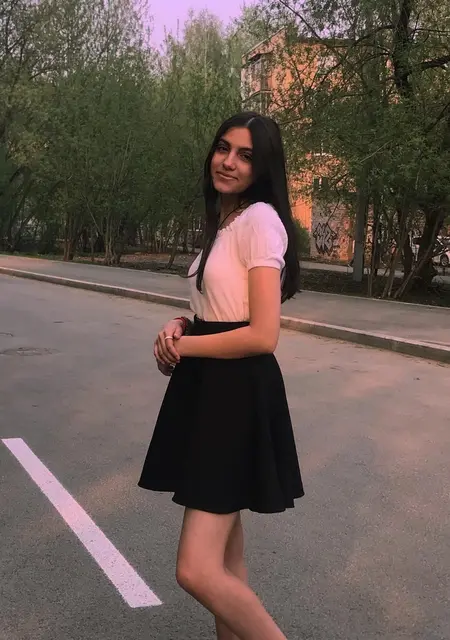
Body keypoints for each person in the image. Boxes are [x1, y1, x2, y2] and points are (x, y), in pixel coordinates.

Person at [138, 112, 304, 640]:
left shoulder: (260, 221)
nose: (228, 162)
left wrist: (186, 346)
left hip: (233, 394)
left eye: (245, 155)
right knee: (228, 564)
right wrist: (182, 323)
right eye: (223, 148)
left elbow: (262, 334)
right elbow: (221, 307)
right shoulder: (227, 222)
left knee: (196, 570)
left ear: (263, 168)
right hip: (211, 389)